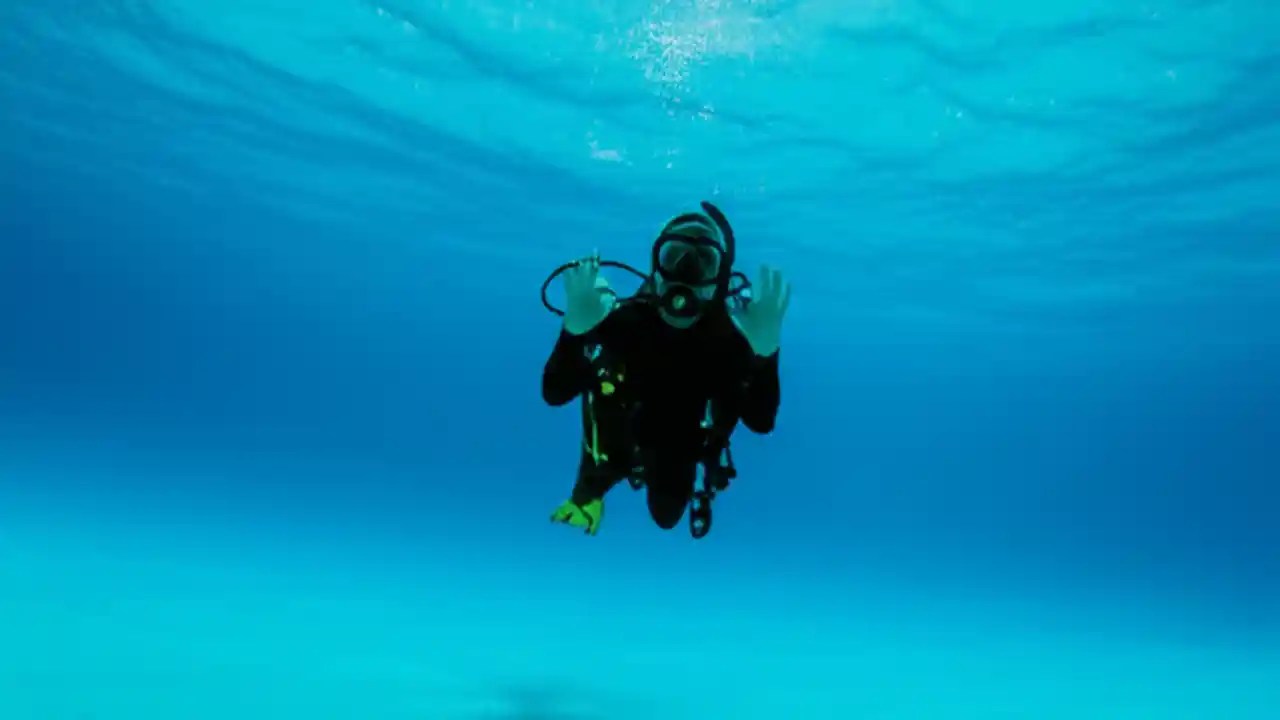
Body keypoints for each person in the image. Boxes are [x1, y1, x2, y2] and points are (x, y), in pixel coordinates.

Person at [539, 201, 791, 538]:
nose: (686, 272)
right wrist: (574, 331)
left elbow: (760, 421)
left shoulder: (728, 340)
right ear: (655, 268)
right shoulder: (626, 321)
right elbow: (555, 392)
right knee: (612, 463)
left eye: (704, 261)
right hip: (622, 434)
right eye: (674, 256)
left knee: (666, 515)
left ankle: (598, 489)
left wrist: (766, 354)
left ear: (718, 278)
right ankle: (590, 492)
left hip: (684, 443)